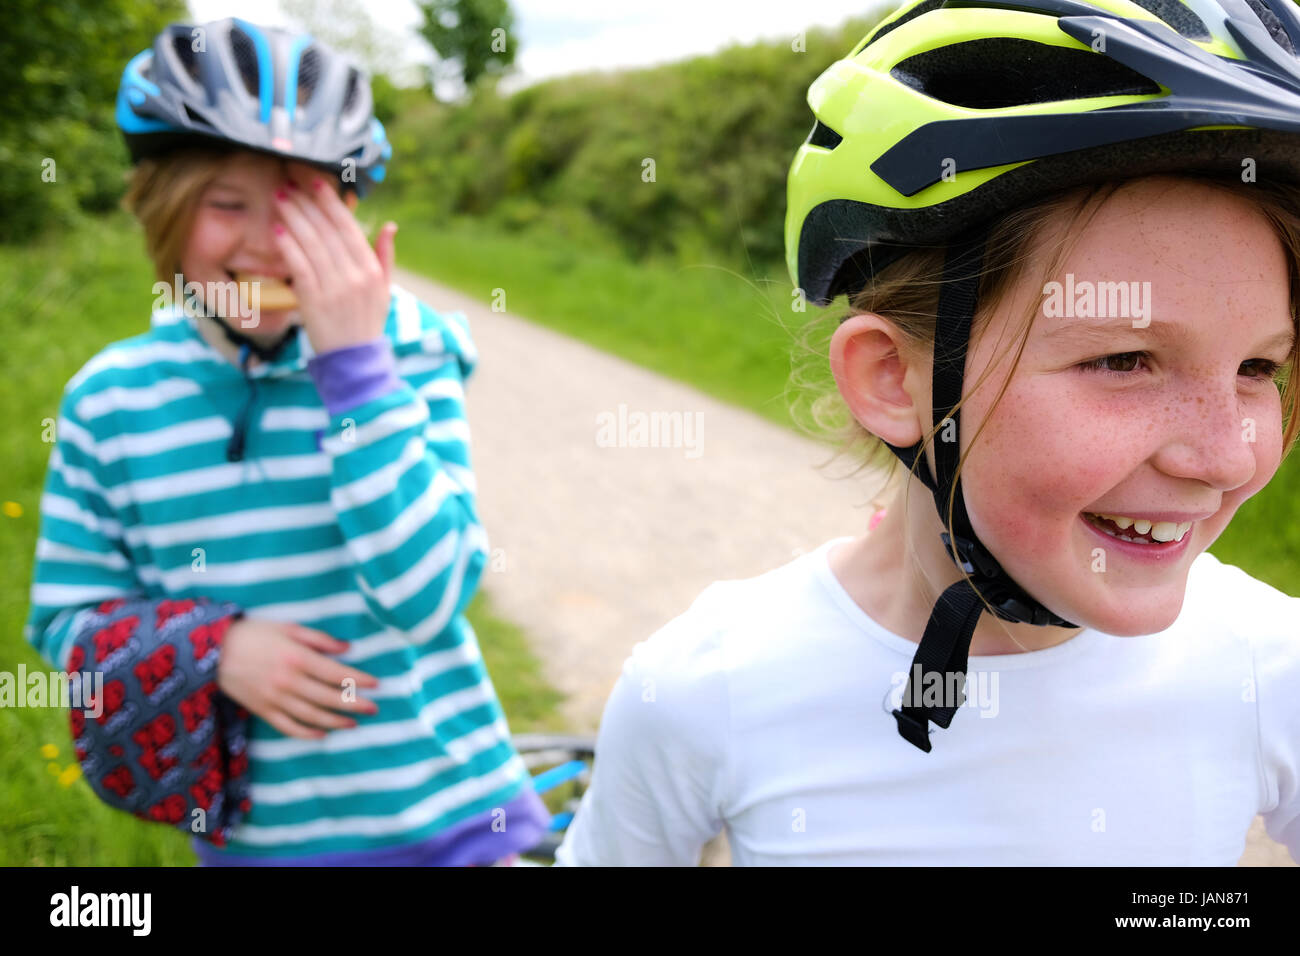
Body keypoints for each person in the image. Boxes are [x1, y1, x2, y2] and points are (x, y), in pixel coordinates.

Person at [555, 0, 1300, 865]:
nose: (1228, 456)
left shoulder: (1269, 668)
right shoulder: (702, 689)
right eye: (1125, 361)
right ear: (891, 379)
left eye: (1259, 370)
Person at [25, 17, 549, 865]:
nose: (267, 243)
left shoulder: (406, 349)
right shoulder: (109, 401)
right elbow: (65, 622)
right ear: (162, 210)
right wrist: (210, 647)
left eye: (301, 208)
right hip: (258, 845)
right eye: (226, 203)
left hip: (453, 825)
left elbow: (428, 595)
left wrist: (355, 369)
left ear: (348, 214)